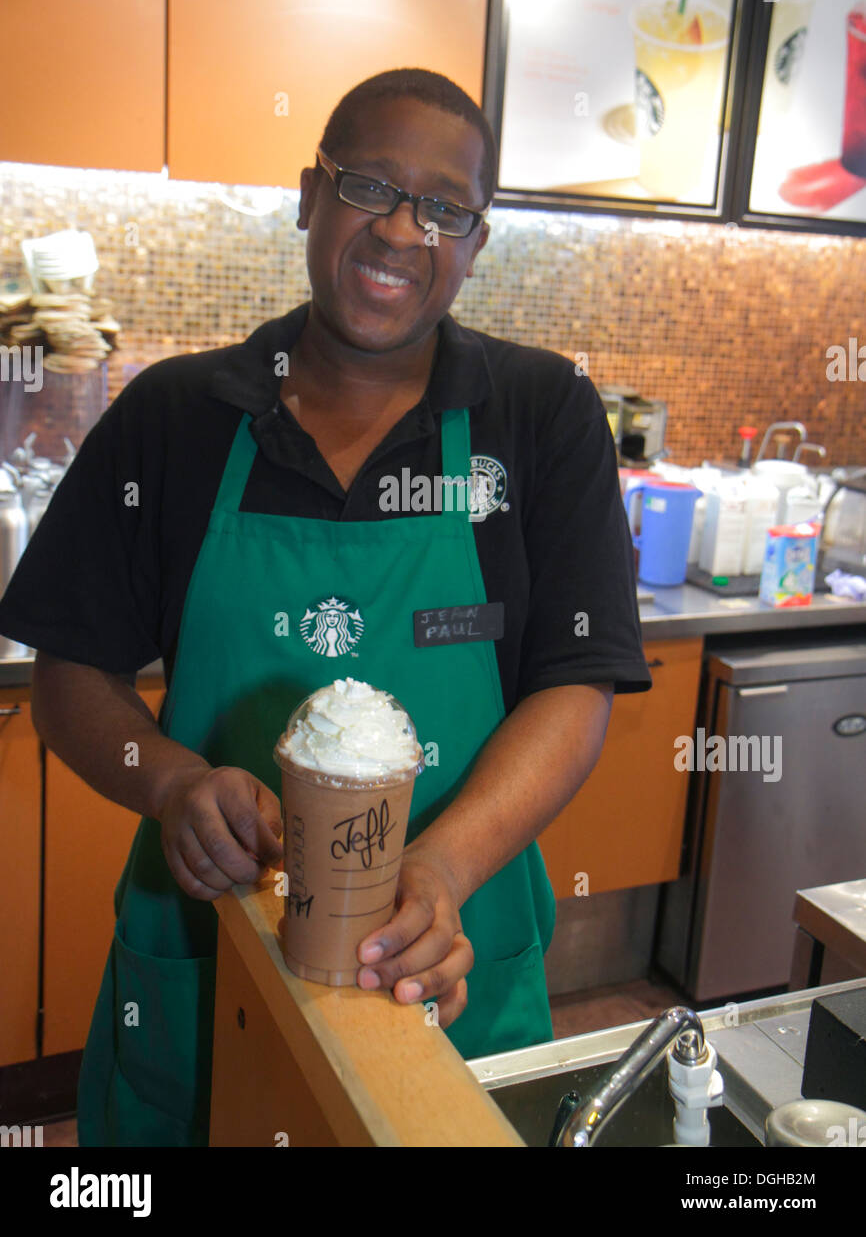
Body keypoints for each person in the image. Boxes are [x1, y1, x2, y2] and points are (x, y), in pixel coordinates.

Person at [0, 68, 651, 1146]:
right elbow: (71, 676)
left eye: (444, 207)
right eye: (370, 186)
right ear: (311, 193)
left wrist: (439, 869)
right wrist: (169, 784)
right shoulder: (175, 418)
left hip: (454, 958)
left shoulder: (539, 416)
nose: (403, 228)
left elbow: (575, 686)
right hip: (211, 954)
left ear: (475, 243)